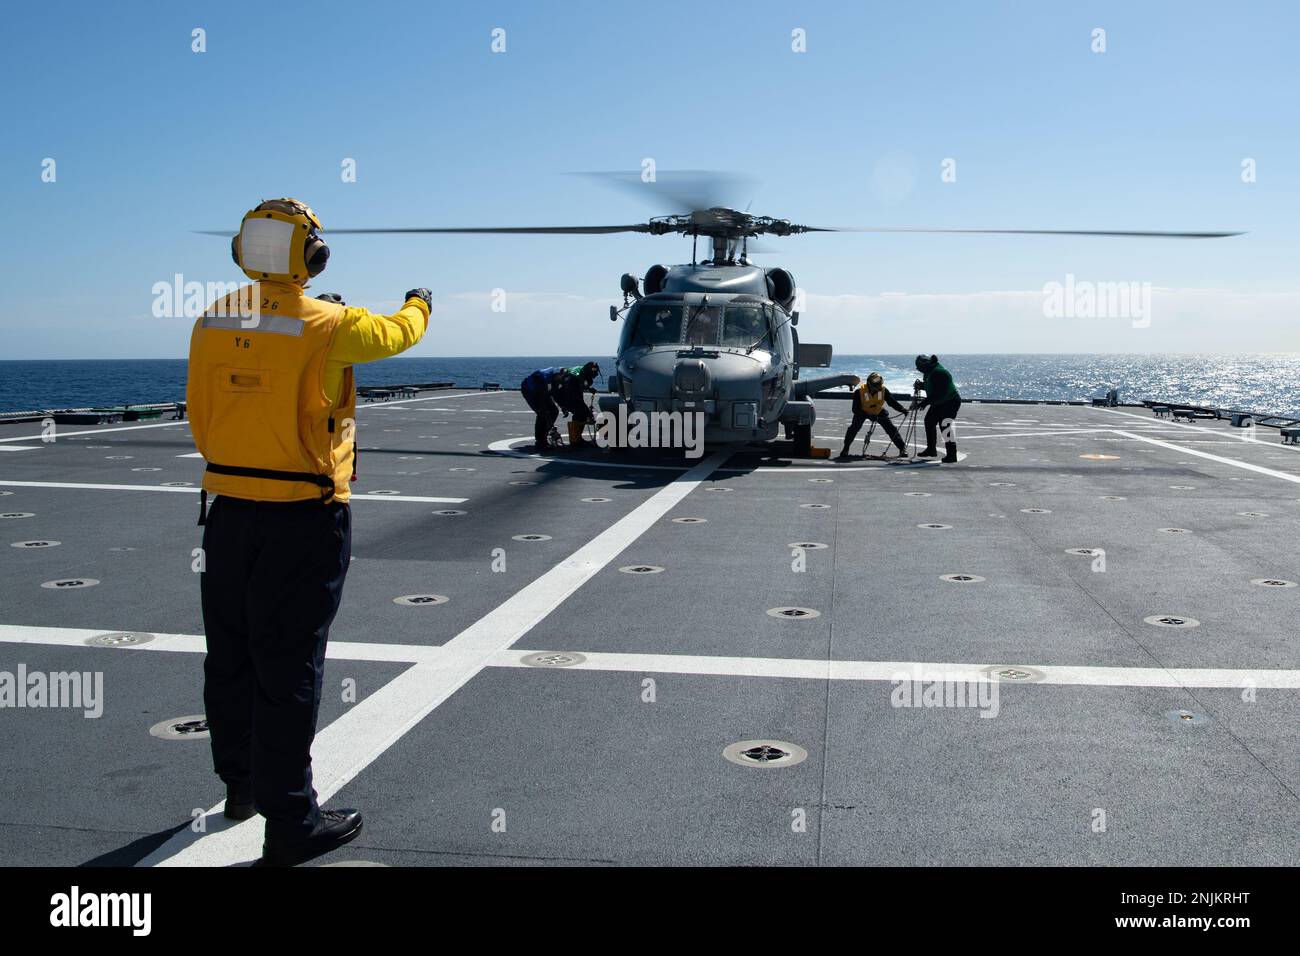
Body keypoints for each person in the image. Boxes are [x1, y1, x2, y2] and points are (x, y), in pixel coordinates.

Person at [187, 198, 431, 866]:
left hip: (227, 513)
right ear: (312, 256)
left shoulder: (212, 318)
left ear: (243, 251)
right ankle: (291, 820)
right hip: (303, 516)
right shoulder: (329, 324)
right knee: (289, 664)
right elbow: (394, 335)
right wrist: (421, 301)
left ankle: (239, 789)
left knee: (230, 657)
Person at [837, 372, 909, 460]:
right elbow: (855, 410)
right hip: (863, 412)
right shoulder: (859, 392)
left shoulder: (883, 390)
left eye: (879, 385)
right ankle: (846, 448)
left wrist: (902, 409)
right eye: (876, 386)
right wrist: (869, 415)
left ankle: (902, 449)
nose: (878, 388)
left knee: (891, 429)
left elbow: (892, 402)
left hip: (878, 411)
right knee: (853, 428)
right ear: (869, 384)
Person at [912, 354, 962, 463]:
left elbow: (939, 392)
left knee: (945, 426)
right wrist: (922, 386)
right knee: (929, 421)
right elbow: (932, 386)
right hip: (938, 402)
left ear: (925, 365)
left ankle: (952, 455)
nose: (919, 371)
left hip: (950, 402)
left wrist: (924, 403)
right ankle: (931, 449)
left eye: (920, 368)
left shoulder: (940, 373)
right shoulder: (929, 371)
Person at [554, 362, 600, 447]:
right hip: (566, 395)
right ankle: (575, 440)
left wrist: (588, 388)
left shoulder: (582, 371)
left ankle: (576, 439)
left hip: (570, 394)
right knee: (582, 414)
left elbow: (581, 385)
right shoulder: (575, 375)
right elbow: (570, 387)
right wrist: (563, 405)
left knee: (581, 414)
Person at [520, 366, 566, 451]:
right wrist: (548, 418)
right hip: (530, 391)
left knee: (554, 411)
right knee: (542, 413)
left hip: (541, 392)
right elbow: (542, 398)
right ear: (556, 374)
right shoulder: (542, 378)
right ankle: (540, 441)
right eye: (561, 376)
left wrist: (563, 407)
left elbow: (555, 394)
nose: (562, 378)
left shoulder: (555, 379)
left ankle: (544, 434)